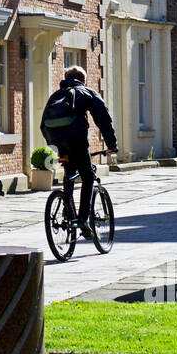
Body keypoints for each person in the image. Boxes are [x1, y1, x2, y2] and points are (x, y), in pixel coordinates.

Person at [39, 64, 118, 233]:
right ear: (83, 80)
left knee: (69, 174)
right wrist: (112, 145)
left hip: (58, 143)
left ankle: (67, 210)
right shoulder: (87, 92)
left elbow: (42, 125)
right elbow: (103, 119)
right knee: (88, 176)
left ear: (66, 79)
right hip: (77, 141)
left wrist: (53, 144)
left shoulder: (56, 95)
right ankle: (82, 219)